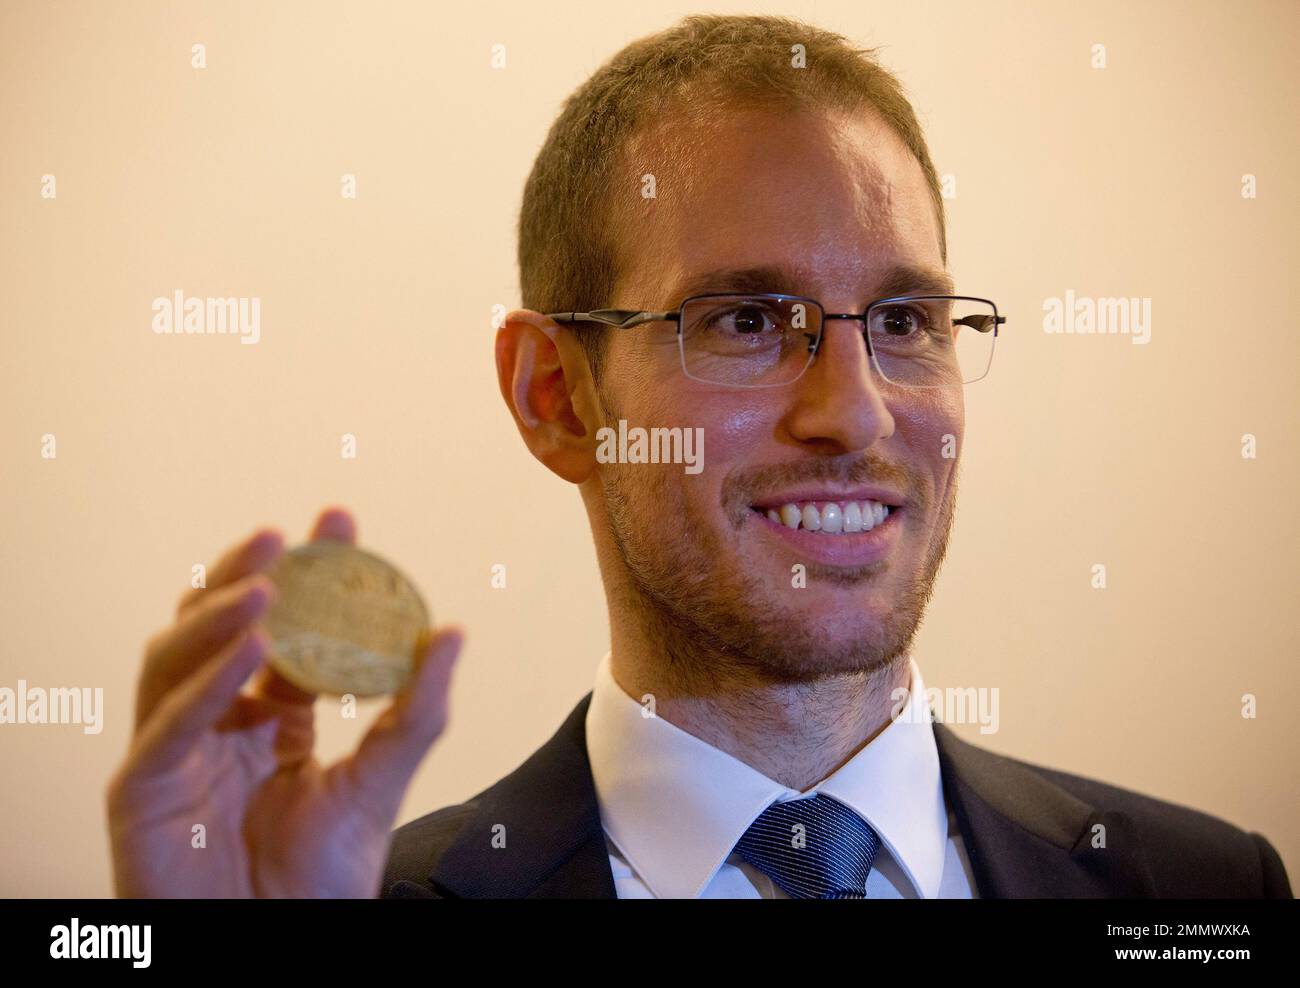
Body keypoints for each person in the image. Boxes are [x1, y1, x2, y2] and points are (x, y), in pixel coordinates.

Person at [107, 14, 1291, 899]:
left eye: (904, 323)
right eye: (742, 322)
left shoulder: (1204, 892)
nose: (857, 414)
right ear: (554, 396)